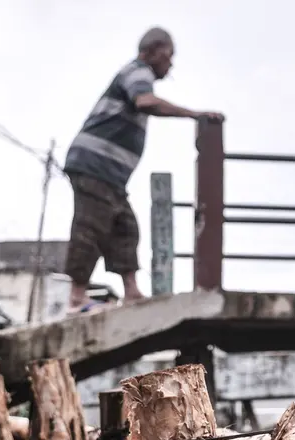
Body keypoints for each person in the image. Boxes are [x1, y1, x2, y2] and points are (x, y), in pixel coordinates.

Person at [62, 27, 223, 314]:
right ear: (153, 51)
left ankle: (132, 292)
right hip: (94, 165)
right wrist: (194, 114)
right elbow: (145, 102)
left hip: (109, 174)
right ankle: (76, 297)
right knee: (91, 226)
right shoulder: (138, 72)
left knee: (125, 228)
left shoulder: (140, 74)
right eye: (168, 55)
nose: (171, 64)